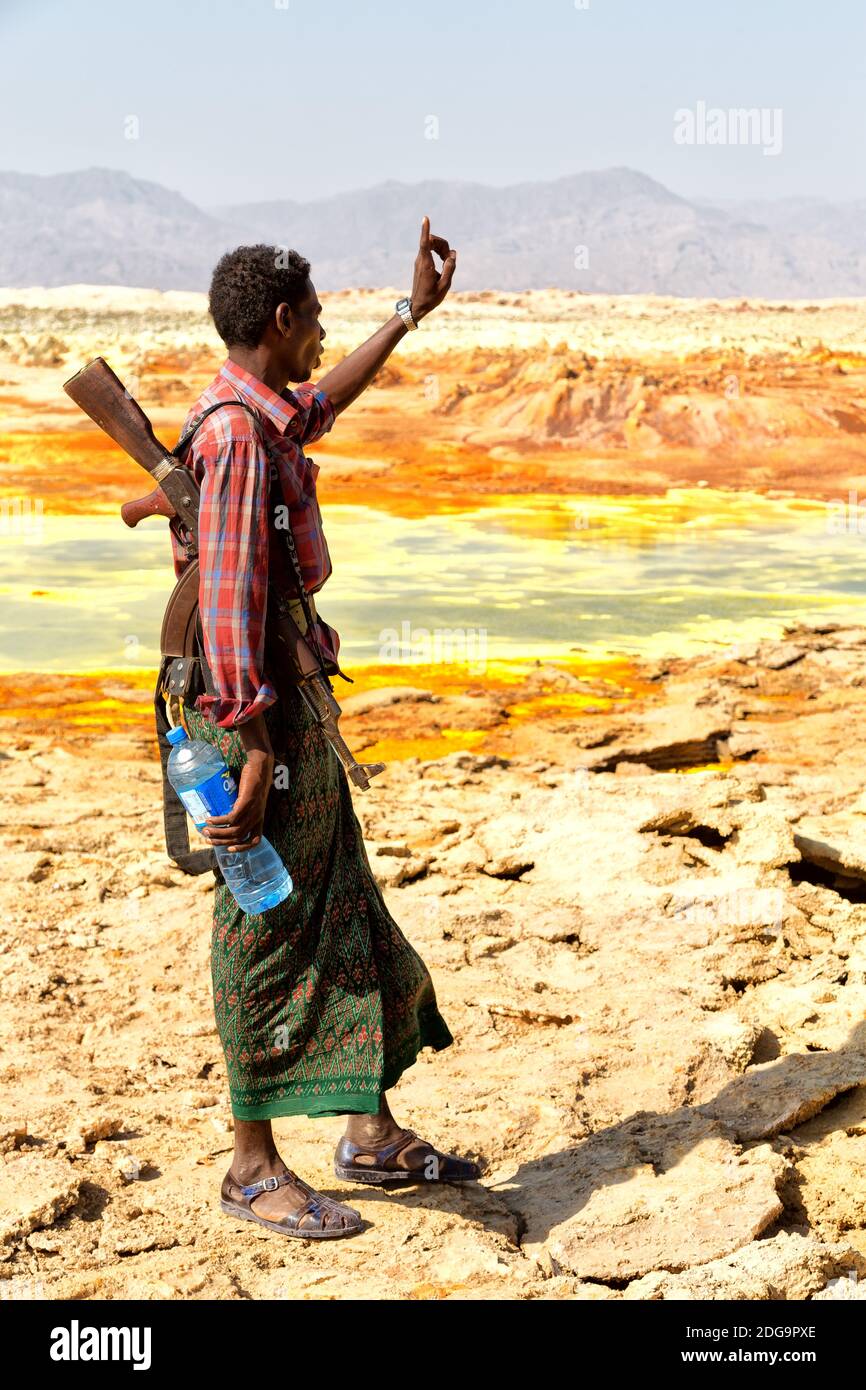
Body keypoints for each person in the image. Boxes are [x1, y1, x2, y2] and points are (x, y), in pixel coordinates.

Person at [172, 220, 480, 1239]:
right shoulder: (229, 437)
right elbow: (224, 605)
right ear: (281, 318)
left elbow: (320, 401)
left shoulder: (263, 419)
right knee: (260, 927)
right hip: (251, 721)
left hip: (285, 706)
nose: (320, 338)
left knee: (338, 903)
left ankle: (366, 1130)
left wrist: (408, 313)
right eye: (314, 322)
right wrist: (255, 750)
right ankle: (250, 1167)